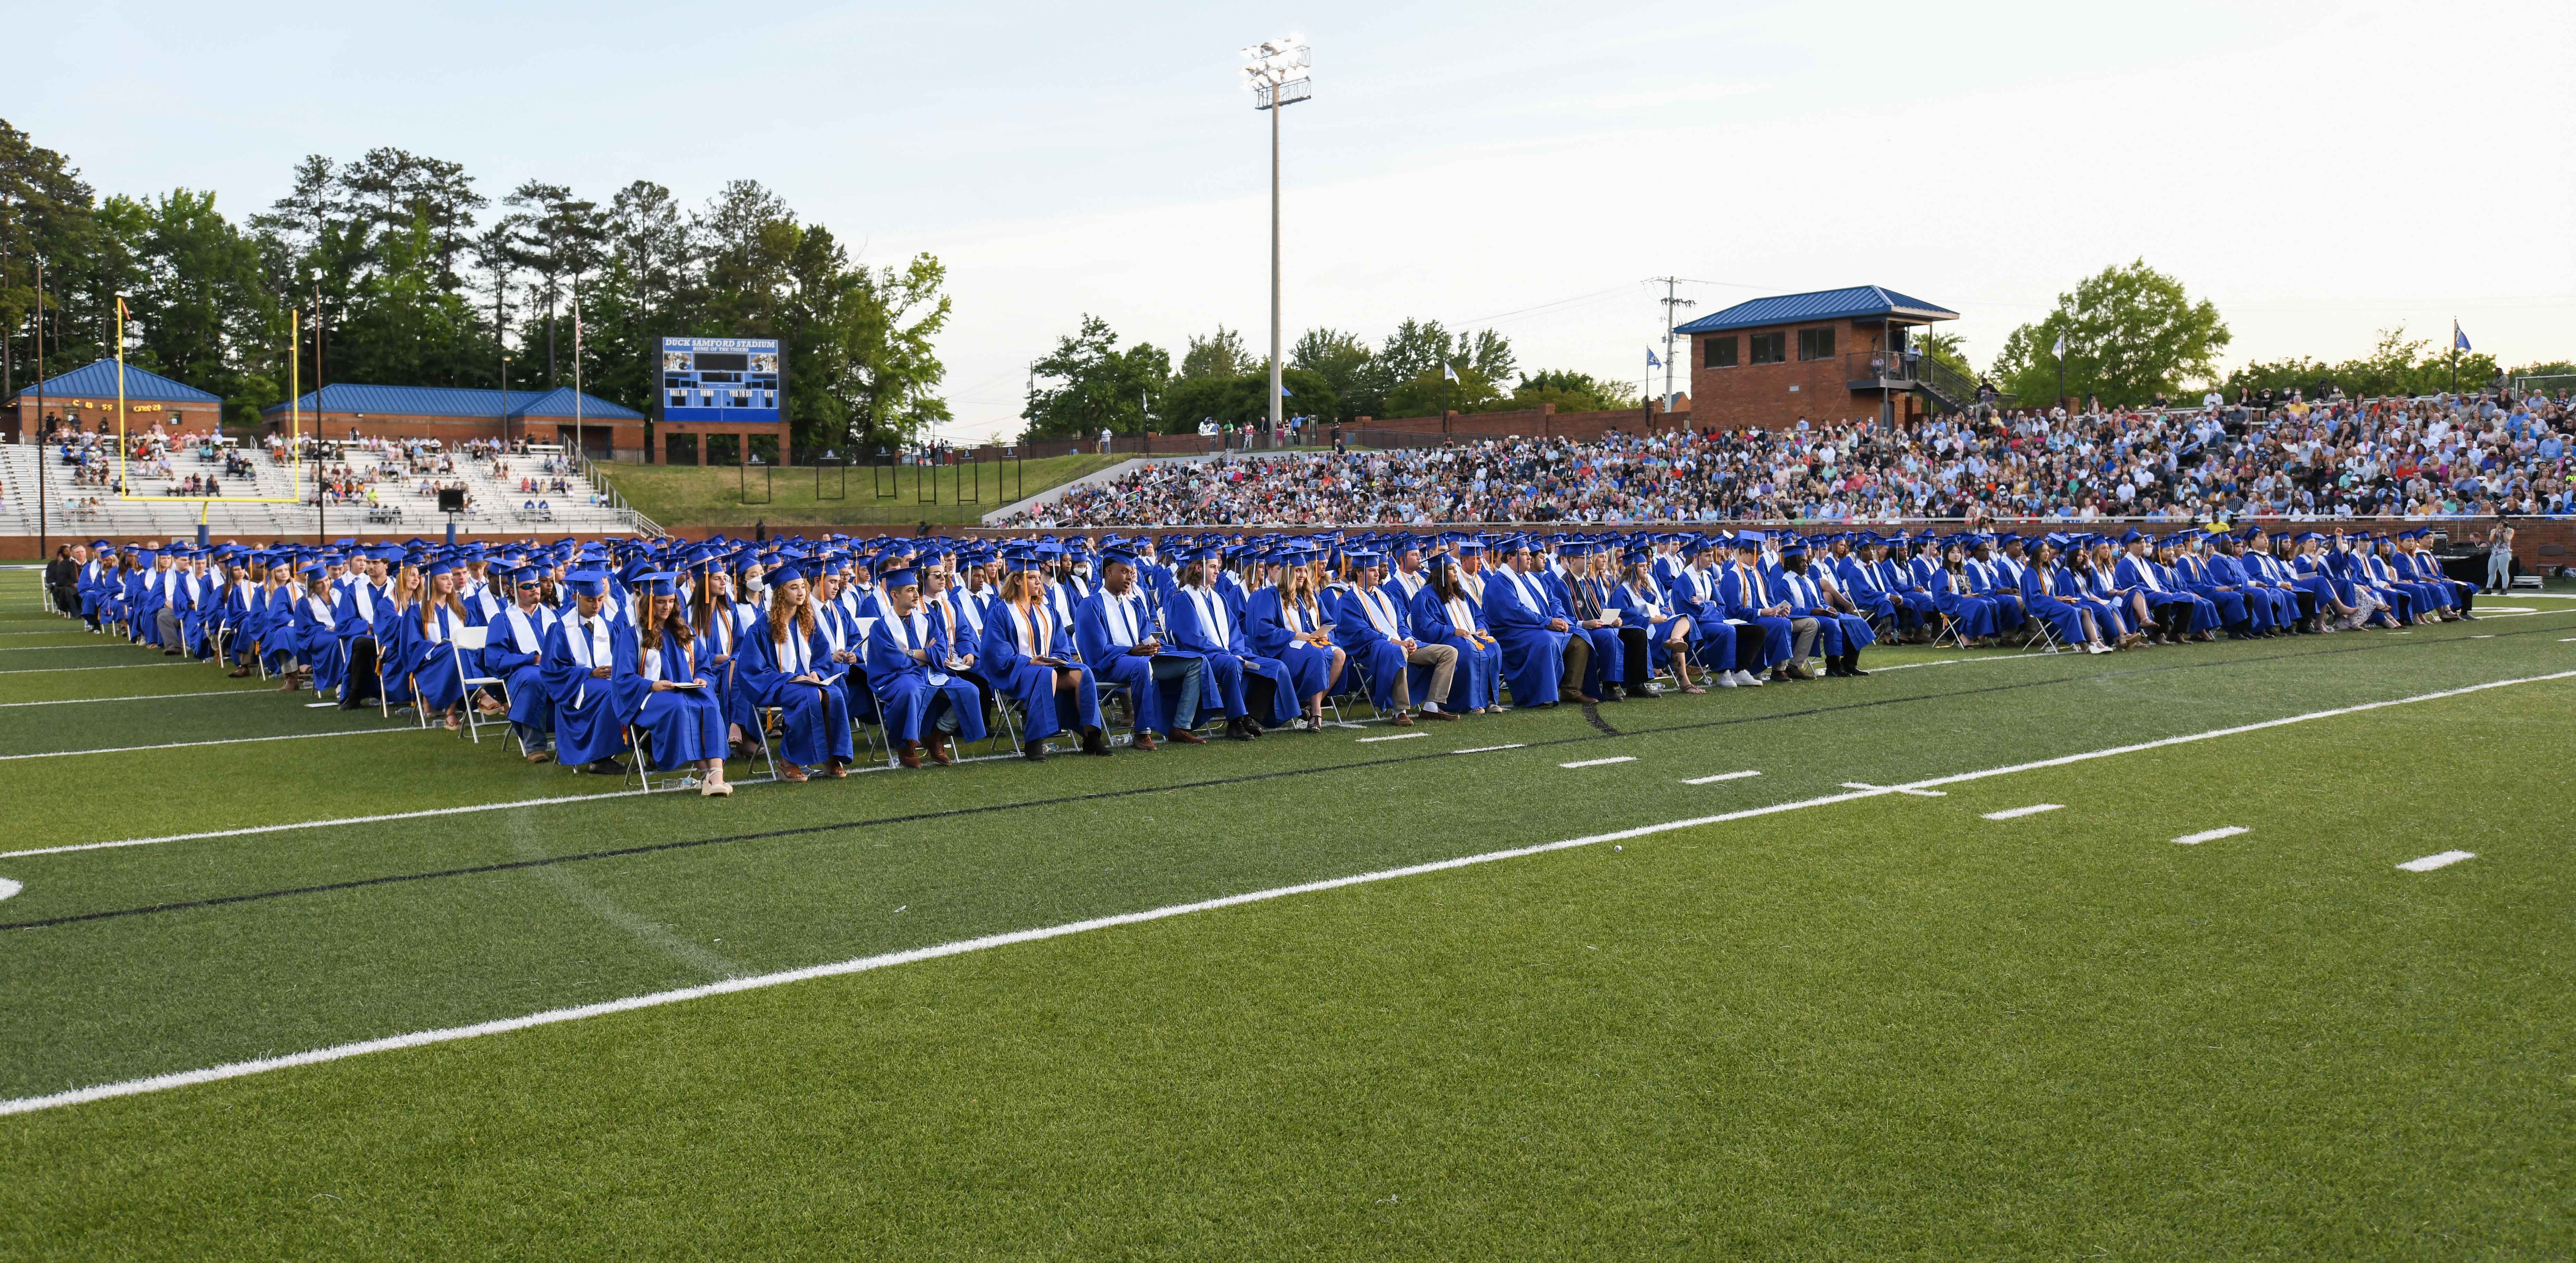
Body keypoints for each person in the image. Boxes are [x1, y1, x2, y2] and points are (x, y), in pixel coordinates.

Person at [1075, 550, 1206, 750]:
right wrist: (1131, 651)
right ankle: (1142, 733)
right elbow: (1095, 651)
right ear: (1109, 572)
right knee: (1142, 665)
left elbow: (1147, 637)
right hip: (1109, 665)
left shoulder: (1133, 605)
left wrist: (1154, 646)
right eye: (1125, 572)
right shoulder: (1090, 605)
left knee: (1195, 662)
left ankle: (1180, 726)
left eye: (1132, 572)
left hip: (1139, 661)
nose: (1130, 577)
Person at [982, 564, 1111, 760]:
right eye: (1032, 578)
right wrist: (1028, 661)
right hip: (1016, 671)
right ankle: (1034, 740)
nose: (1038, 582)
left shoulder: (1046, 609)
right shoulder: (1001, 611)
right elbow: (996, 651)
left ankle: (1091, 737)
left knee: (1083, 672)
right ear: (1017, 580)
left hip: (1048, 667)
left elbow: (1060, 645)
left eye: (1038, 578)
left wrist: (1057, 659)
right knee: (1046, 674)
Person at [1164, 548, 1294, 738]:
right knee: (1234, 663)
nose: (1218, 571)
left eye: (1218, 567)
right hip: (1204, 657)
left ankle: (1252, 715)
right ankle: (1235, 722)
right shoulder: (1183, 599)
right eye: (1213, 567)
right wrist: (1230, 655)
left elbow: (1234, 634)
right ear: (1199, 568)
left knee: (1274, 666)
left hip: (1227, 654)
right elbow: (1192, 639)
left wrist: (1237, 651)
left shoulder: (1219, 599)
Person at [866, 568, 991, 767]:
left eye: (916, 589)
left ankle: (937, 736)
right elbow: (892, 661)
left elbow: (940, 650)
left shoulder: (926, 620)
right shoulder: (881, 627)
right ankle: (906, 745)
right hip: (896, 677)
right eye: (910, 590)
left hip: (929, 672)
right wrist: (925, 655)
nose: (917, 594)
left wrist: (912, 654)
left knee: (969, 690)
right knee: (911, 690)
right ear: (895, 595)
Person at [743, 565, 854, 782]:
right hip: (777, 684)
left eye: (803, 587)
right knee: (810, 696)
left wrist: (816, 672)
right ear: (781, 594)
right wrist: (793, 678)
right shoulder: (761, 628)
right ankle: (788, 760)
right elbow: (755, 670)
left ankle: (832, 757)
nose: (802, 592)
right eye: (794, 588)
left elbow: (822, 656)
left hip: (809, 683)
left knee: (835, 694)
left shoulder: (808, 623)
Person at [627, 573, 734, 795]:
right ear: (649, 603)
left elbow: (704, 665)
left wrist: (703, 678)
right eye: (660, 602)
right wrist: (652, 686)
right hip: (651, 697)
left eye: (671, 601)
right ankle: (706, 776)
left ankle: (716, 776)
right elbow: (623, 679)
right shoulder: (632, 637)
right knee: (680, 706)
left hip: (687, 691)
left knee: (710, 702)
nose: (667, 607)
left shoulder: (684, 632)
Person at [1332, 549, 1459, 725]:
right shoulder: (1348, 601)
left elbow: (1401, 625)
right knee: (1398, 651)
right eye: (1372, 570)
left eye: (1378, 570)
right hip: (1372, 648)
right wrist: (1396, 642)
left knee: (1449, 652)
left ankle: (1432, 706)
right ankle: (1400, 711)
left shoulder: (1387, 596)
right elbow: (1361, 633)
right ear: (1359, 573)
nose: (1378, 573)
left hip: (1400, 644)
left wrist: (1408, 639)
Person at [1247, 551, 1347, 731]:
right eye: (1298, 571)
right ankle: (1317, 713)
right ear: (1289, 573)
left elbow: (1328, 622)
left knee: (1339, 654)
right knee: (1317, 655)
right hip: (1284, 647)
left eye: (1304, 571)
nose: (1303, 575)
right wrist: (1293, 635)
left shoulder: (1310, 595)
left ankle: (1309, 705)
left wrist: (1326, 635)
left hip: (1312, 644)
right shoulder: (1271, 595)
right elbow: (1263, 629)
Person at [481, 566, 559, 760]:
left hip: (554, 669)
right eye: (527, 586)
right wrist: (531, 659)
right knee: (534, 678)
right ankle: (535, 746)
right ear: (513, 591)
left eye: (536, 584)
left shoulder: (553, 617)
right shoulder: (503, 620)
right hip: (522, 673)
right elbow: (495, 659)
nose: (535, 589)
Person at [1412, 556, 1503, 712]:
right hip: (1444, 640)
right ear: (1440, 573)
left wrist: (1482, 628)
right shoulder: (1425, 596)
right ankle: (1469, 703)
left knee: (1493, 646)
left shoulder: (1461, 594)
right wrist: (1454, 631)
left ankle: (1488, 700)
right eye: (1451, 569)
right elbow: (1426, 627)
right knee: (1467, 649)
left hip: (1469, 636)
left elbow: (1478, 616)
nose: (1456, 572)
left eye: (1456, 568)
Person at [2484, 522, 2516, 593]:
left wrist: (2504, 531)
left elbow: (2507, 540)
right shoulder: (2494, 530)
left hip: (2504, 552)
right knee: (2491, 571)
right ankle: (2488, 588)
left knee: (2503, 571)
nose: (2502, 525)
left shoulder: (2510, 531)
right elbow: (2492, 540)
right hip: (2494, 553)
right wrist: (2497, 530)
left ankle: (2504, 589)